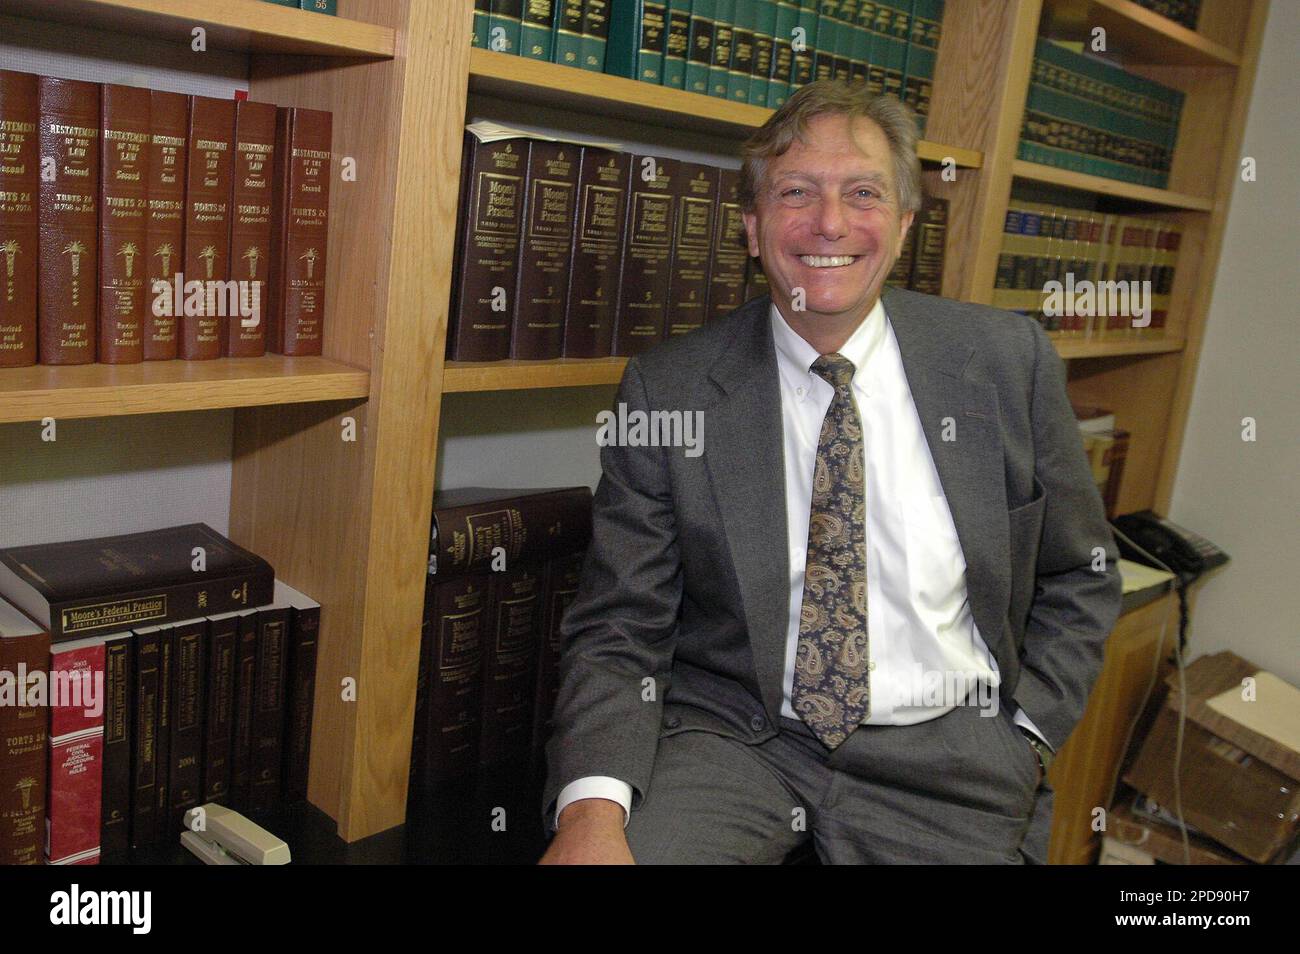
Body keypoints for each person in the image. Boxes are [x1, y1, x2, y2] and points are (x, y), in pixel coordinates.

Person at [538, 80, 1122, 864]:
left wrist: (1029, 735)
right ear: (752, 228)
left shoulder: (1007, 362)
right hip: (737, 739)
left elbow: (1079, 573)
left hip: (950, 761)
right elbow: (619, 625)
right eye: (795, 192)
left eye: (864, 193)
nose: (831, 223)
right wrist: (590, 817)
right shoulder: (669, 389)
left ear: (905, 223)